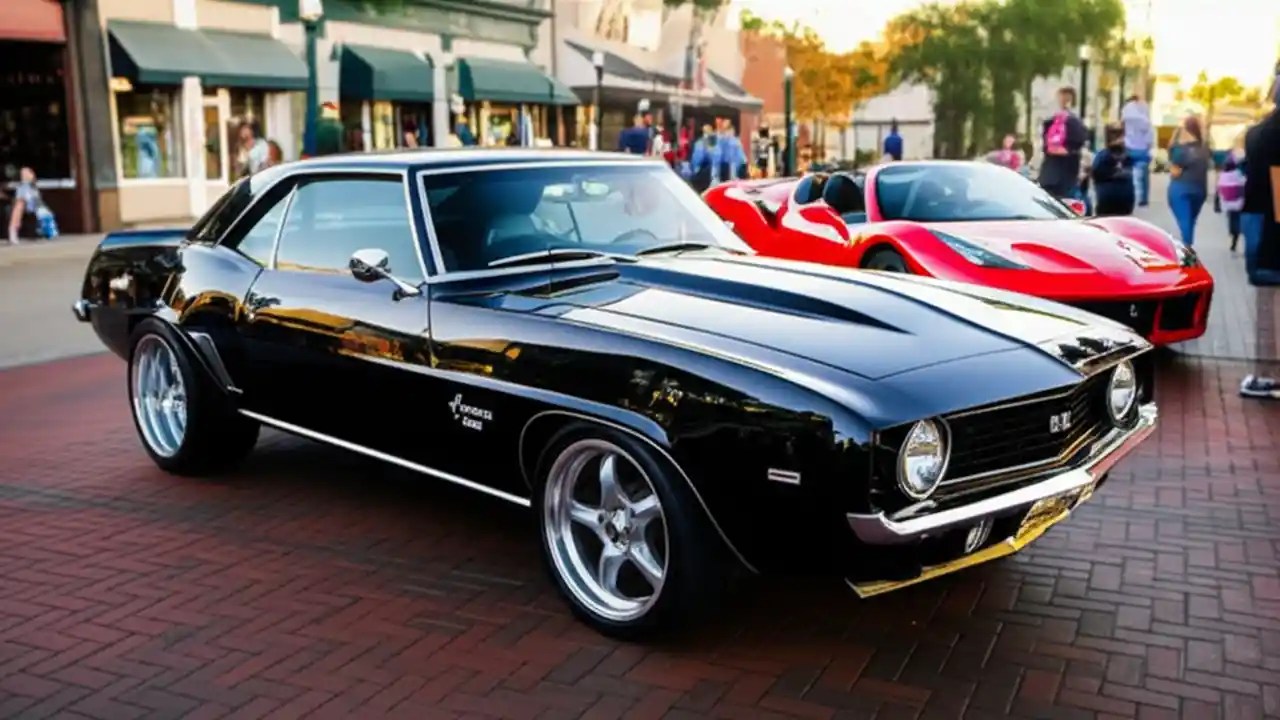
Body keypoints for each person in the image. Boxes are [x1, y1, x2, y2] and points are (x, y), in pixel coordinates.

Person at [1238, 64, 1280, 400]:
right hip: (1266, 220)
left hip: (1265, 224)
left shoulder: (1260, 134)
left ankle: (1266, 374)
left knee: (1267, 302)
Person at [1167, 114, 1211, 246]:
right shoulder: (1205, 149)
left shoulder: (1180, 150)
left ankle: (1187, 251)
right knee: (1190, 222)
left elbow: (1175, 172)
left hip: (1180, 189)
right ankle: (1188, 249)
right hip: (1200, 190)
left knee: (1185, 223)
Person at [1038, 87, 1088, 199]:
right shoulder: (1077, 123)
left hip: (1049, 174)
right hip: (1067, 175)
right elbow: (1080, 143)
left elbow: (1045, 147)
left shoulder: (1050, 122)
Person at [1091, 124, 1136, 216]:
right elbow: (1097, 173)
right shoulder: (1104, 156)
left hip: (1119, 202)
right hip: (1111, 202)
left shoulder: (1126, 156)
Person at [7, 166, 58, 244]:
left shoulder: (33, 186)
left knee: (46, 215)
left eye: (27, 173)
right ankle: (13, 232)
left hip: (35, 206)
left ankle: (47, 232)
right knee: (18, 210)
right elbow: (20, 200)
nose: (25, 175)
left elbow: (37, 200)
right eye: (23, 174)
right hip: (26, 203)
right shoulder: (22, 187)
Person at [1121, 90, 1154, 206]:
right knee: (1143, 176)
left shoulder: (1126, 113)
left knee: (1127, 174)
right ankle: (1143, 198)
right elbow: (1149, 134)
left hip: (1128, 147)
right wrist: (1149, 146)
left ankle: (1127, 195)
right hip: (1142, 148)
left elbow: (1122, 130)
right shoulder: (1144, 114)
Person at [1217, 143, 1247, 251]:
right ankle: (1237, 236)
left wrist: (1218, 205)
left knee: (1231, 220)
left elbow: (1219, 191)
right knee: (1239, 220)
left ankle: (1233, 237)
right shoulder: (1238, 174)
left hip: (1228, 204)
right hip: (1239, 202)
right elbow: (1244, 184)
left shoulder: (1222, 175)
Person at [689, 125, 719, 192]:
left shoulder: (701, 143)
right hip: (715, 178)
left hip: (705, 177)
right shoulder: (718, 142)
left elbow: (696, 162)